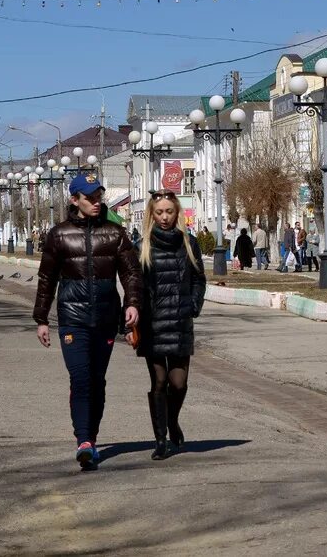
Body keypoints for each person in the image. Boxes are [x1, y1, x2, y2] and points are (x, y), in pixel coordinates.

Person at [33, 174, 143, 470]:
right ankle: (83, 441)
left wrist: (132, 303)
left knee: (97, 380)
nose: (96, 203)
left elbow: (131, 273)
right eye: (90, 198)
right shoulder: (59, 235)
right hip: (72, 319)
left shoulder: (115, 233)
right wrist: (41, 319)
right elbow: (47, 279)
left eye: (99, 198)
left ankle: (91, 436)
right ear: (74, 200)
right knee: (80, 378)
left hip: (106, 318)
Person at [134, 190, 205, 460]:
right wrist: (131, 317)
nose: (164, 217)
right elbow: (135, 286)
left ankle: (172, 421)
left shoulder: (189, 243)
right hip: (152, 324)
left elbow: (199, 279)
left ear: (178, 213)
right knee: (159, 381)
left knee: (179, 383)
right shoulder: (143, 245)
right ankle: (161, 439)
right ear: (152, 215)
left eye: (169, 212)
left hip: (179, 320)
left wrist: (193, 306)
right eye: (159, 212)